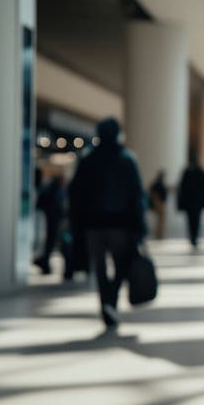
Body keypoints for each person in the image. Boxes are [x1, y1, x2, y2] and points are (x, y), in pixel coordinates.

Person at [69, 118, 147, 328]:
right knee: (122, 264)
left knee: (100, 268)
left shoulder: (88, 160)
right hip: (118, 224)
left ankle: (106, 303)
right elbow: (137, 195)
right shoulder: (126, 159)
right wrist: (140, 227)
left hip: (93, 226)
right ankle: (110, 301)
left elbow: (75, 193)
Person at [34, 174, 65, 275]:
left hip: (50, 218)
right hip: (52, 220)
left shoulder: (50, 188)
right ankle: (44, 263)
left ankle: (44, 263)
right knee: (49, 242)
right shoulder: (55, 190)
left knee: (48, 242)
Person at [177, 156, 204, 249]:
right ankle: (194, 237)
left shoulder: (188, 172)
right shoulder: (200, 172)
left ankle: (193, 237)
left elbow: (182, 187)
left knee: (192, 220)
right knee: (195, 220)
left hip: (190, 202)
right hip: (195, 202)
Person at [149, 171, 168, 239]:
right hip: (159, 202)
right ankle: (159, 233)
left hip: (160, 202)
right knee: (161, 219)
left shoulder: (158, 183)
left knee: (161, 219)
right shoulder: (158, 183)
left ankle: (159, 233)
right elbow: (152, 193)